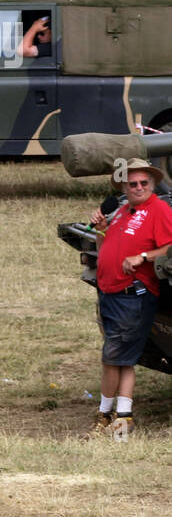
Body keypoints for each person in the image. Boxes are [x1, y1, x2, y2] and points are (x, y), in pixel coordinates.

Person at [87, 159, 172, 438]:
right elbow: (105, 246)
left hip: (132, 294)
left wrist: (143, 257)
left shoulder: (158, 209)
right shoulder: (124, 210)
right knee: (121, 359)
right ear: (124, 186)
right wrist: (100, 228)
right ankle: (123, 417)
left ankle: (104, 414)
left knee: (112, 357)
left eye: (143, 183)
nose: (138, 187)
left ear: (153, 184)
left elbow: (169, 246)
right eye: (132, 183)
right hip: (111, 291)